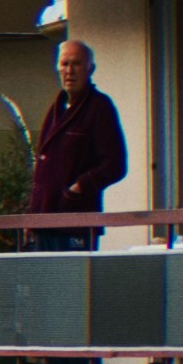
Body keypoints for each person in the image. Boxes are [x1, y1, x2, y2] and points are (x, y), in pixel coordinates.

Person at [33, 34, 134, 227]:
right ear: (57, 68)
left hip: (76, 219)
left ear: (90, 69)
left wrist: (79, 188)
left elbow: (115, 165)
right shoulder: (55, 109)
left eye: (76, 64)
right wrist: (32, 217)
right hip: (44, 220)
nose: (69, 71)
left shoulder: (99, 107)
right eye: (64, 64)